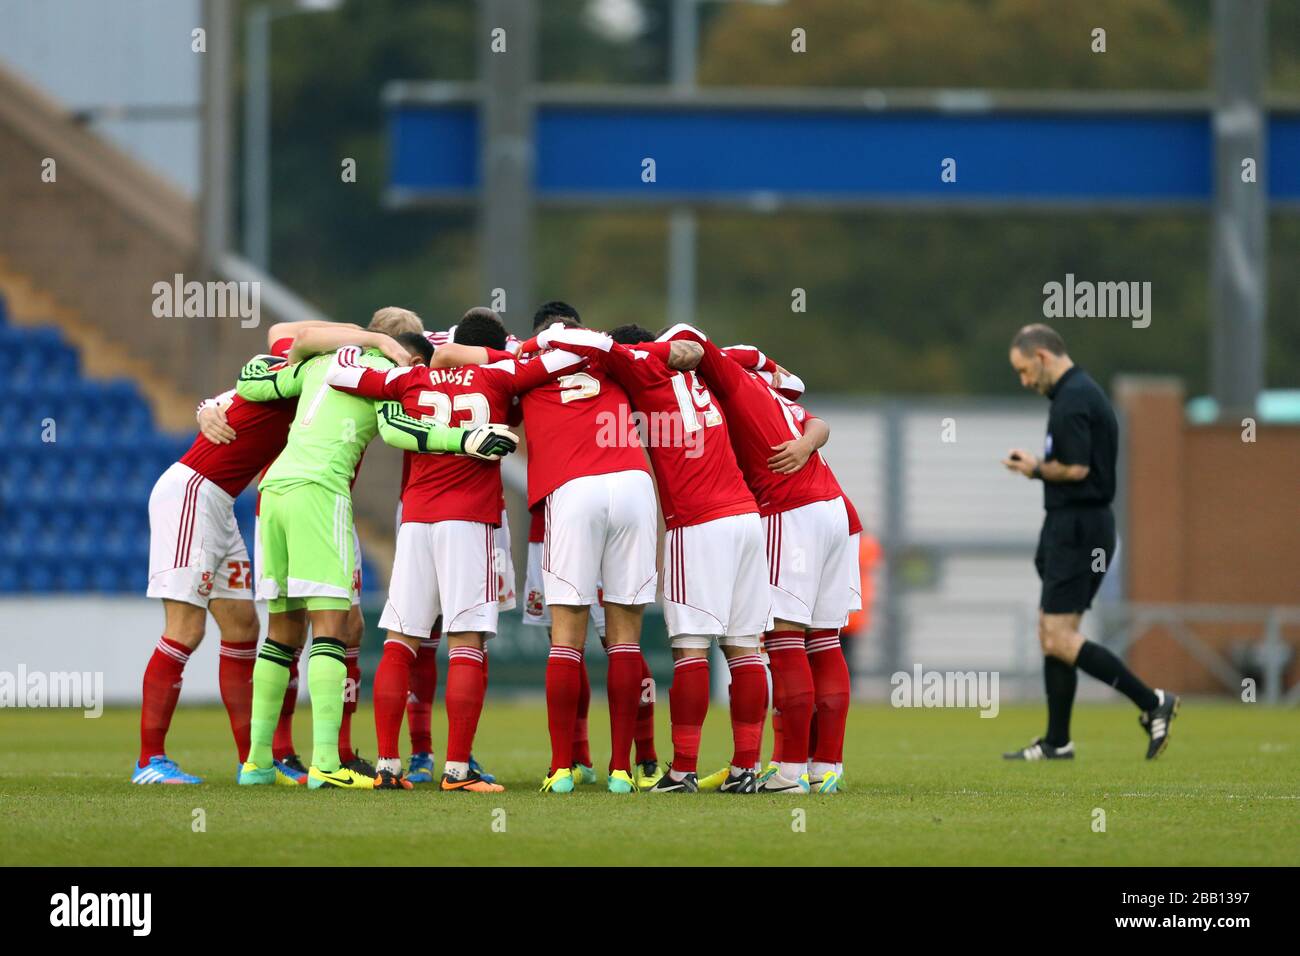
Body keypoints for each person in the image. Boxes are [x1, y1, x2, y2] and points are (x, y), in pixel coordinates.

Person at [1001, 323, 1178, 761]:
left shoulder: (1073, 398)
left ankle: (1152, 702)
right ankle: (1058, 741)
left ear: (1042, 357)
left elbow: (1077, 469)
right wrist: (1041, 465)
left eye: (1024, 371)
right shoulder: (1073, 394)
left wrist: (1036, 470)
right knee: (1052, 632)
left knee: (1059, 637)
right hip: (1073, 525)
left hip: (1080, 529)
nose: (1024, 381)